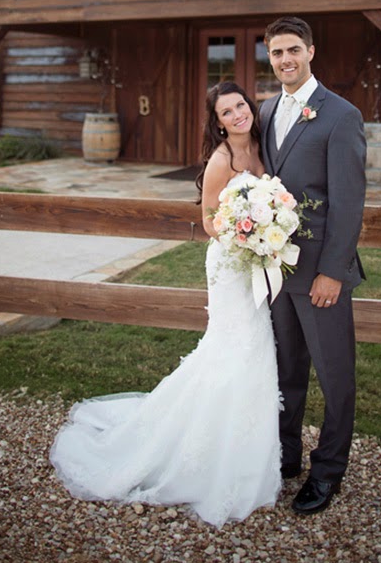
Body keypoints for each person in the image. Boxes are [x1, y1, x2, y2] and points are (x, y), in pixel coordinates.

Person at [50, 81, 281, 527]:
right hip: (231, 265)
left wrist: (268, 229)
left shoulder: (261, 143)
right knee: (230, 350)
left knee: (257, 349)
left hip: (256, 259)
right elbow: (209, 221)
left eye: (240, 106)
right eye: (226, 113)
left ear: (249, 107)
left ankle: (249, 457)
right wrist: (248, 231)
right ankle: (201, 456)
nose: (237, 115)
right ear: (216, 123)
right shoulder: (221, 161)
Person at [259, 15, 366, 515]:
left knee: (335, 374)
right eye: (277, 52)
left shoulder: (340, 115)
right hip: (276, 270)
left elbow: (348, 202)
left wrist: (333, 272)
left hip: (320, 271)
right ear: (270, 57)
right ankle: (286, 457)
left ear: (311, 51)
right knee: (286, 371)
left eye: (293, 50)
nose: (286, 60)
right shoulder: (264, 112)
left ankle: (328, 472)